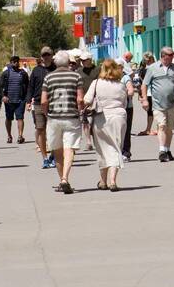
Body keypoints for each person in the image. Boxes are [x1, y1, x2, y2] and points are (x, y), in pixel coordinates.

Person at [84, 57, 132, 191]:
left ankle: (103, 181)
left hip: (101, 117)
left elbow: (87, 99)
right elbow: (124, 102)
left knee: (102, 149)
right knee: (116, 147)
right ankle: (112, 181)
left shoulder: (96, 82)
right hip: (119, 117)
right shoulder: (121, 85)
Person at [41, 49, 85, 195]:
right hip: (71, 117)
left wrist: (47, 113)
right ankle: (65, 178)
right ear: (68, 62)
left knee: (57, 151)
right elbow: (79, 99)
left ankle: (62, 179)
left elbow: (44, 101)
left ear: (55, 62)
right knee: (69, 148)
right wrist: (80, 111)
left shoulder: (48, 77)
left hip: (54, 118)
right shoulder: (76, 76)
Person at [141, 46, 174, 162]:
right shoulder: (152, 68)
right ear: (163, 56)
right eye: (170, 55)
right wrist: (145, 99)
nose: (172, 57)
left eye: (172, 55)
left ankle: (167, 150)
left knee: (169, 128)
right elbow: (144, 85)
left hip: (173, 104)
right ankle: (162, 151)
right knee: (162, 125)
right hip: (158, 104)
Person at [27, 48, 56, 167]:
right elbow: (31, 87)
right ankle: (45, 158)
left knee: (54, 131)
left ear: (52, 55)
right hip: (39, 103)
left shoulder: (56, 69)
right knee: (40, 130)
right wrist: (28, 101)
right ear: (41, 56)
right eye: (44, 55)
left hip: (54, 103)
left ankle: (53, 156)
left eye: (48, 54)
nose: (46, 57)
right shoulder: (36, 71)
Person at [0, 55, 29, 144]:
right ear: (11, 62)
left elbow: (28, 86)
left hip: (20, 100)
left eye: (17, 61)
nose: (15, 63)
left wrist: (27, 99)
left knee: (20, 118)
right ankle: (9, 136)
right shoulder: (6, 73)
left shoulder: (23, 73)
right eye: (13, 61)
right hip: (9, 101)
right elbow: (0, 87)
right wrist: (3, 96)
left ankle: (20, 136)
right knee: (8, 118)